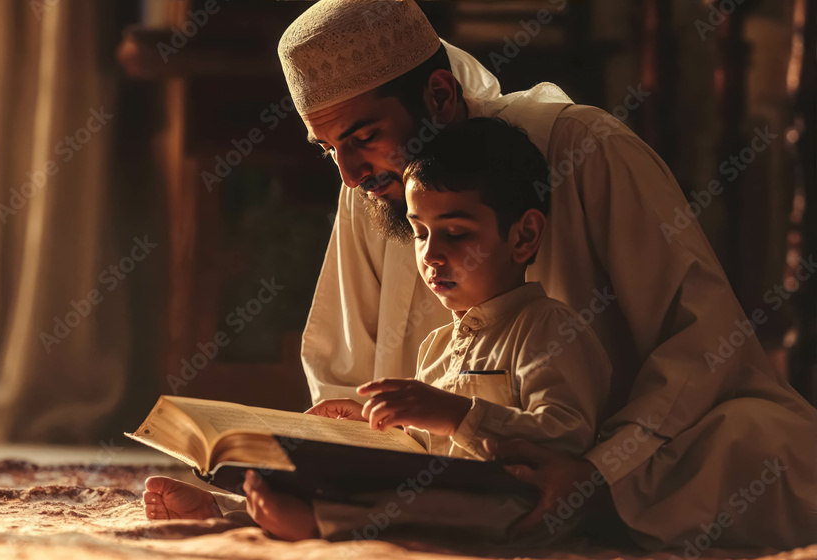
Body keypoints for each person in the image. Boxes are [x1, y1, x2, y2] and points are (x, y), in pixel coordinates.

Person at [147, 0, 817, 549]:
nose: (349, 174)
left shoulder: (589, 150)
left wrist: (595, 470)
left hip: (630, 450)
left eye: (361, 135)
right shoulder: (373, 187)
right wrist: (351, 425)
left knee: (760, 451)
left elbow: (701, 344)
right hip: (465, 460)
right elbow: (350, 371)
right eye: (329, 150)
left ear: (439, 94)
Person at [148, 117, 614, 544]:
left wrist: (456, 415)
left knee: (431, 503)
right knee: (370, 485)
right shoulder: (438, 344)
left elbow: (564, 438)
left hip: (514, 503)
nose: (431, 256)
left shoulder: (549, 327)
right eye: (420, 232)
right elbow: (428, 447)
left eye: (455, 233)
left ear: (524, 236)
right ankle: (228, 510)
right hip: (447, 487)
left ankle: (317, 525)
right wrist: (372, 429)